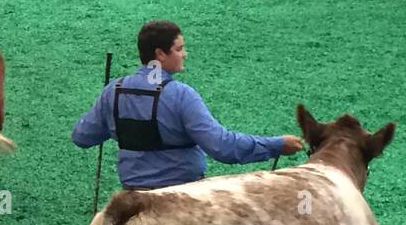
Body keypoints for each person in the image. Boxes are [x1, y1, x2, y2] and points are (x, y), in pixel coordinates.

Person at [71, 20, 303, 191]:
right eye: (179, 49)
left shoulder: (114, 90)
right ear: (160, 54)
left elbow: (81, 136)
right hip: (181, 195)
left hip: (131, 196)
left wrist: (115, 123)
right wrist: (276, 145)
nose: (185, 54)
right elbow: (222, 147)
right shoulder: (181, 95)